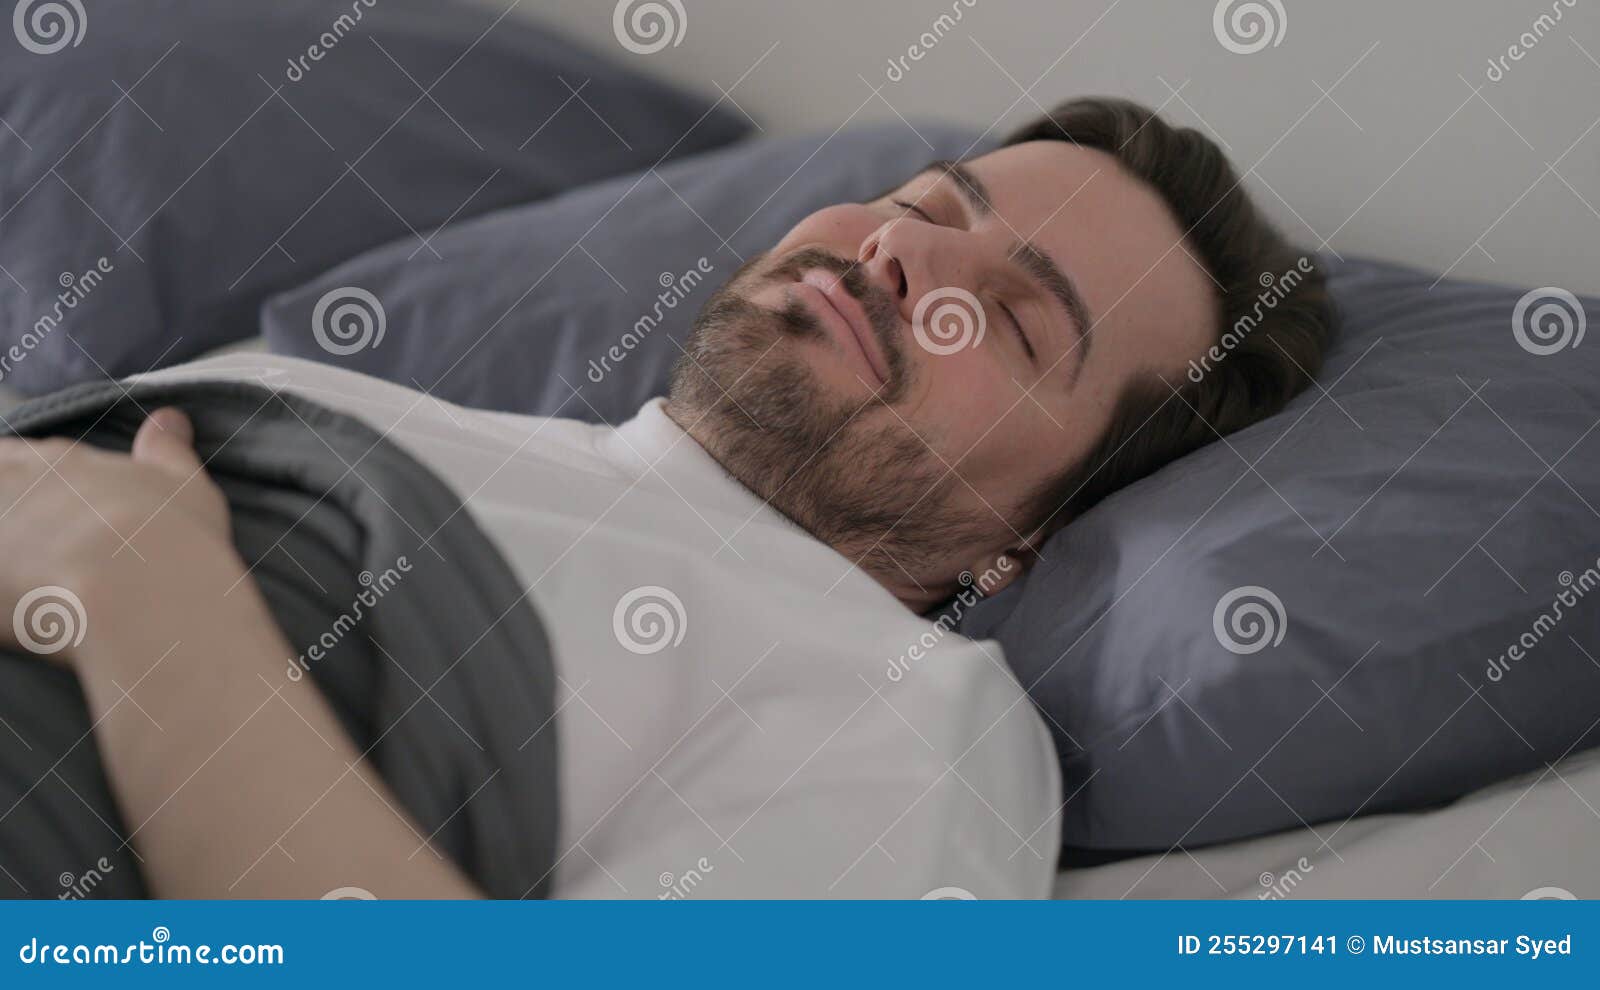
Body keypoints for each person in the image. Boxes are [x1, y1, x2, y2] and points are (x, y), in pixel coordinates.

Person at [0, 98, 1335, 897]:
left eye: (1016, 321)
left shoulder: (919, 723)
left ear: (1029, 534)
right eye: (927, 204)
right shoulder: (345, 398)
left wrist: (147, 596)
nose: (904, 251)